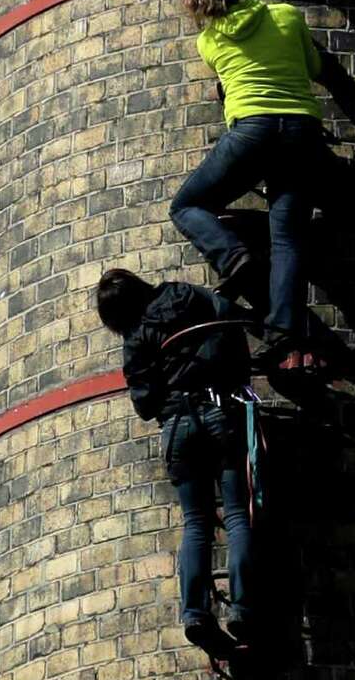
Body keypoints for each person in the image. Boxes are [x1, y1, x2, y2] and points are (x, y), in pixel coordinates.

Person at [171, 0, 331, 355]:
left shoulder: (209, 42)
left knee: (186, 206)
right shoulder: (287, 15)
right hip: (302, 130)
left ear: (201, 8)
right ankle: (283, 332)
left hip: (252, 132)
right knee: (287, 238)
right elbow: (314, 67)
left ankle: (234, 257)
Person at [95, 267, 254, 649]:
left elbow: (145, 405)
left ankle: (195, 613)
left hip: (179, 426)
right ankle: (243, 609)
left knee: (196, 522)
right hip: (220, 411)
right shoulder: (184, 295)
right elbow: (227, 317)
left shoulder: (136, 338)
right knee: (236, 514)